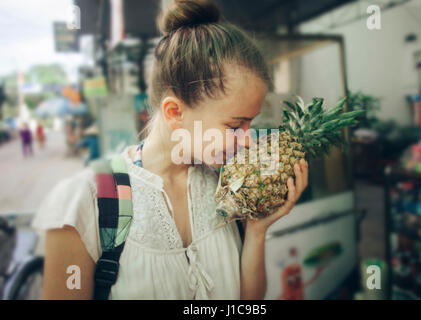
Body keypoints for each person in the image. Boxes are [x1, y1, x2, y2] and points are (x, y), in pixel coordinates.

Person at [32, 0, 309, 300]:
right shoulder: (86, 203)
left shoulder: (229, 188)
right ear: (175, 111)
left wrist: (255, 231)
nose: (247, 140)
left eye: (250, 124)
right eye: (234, 126)